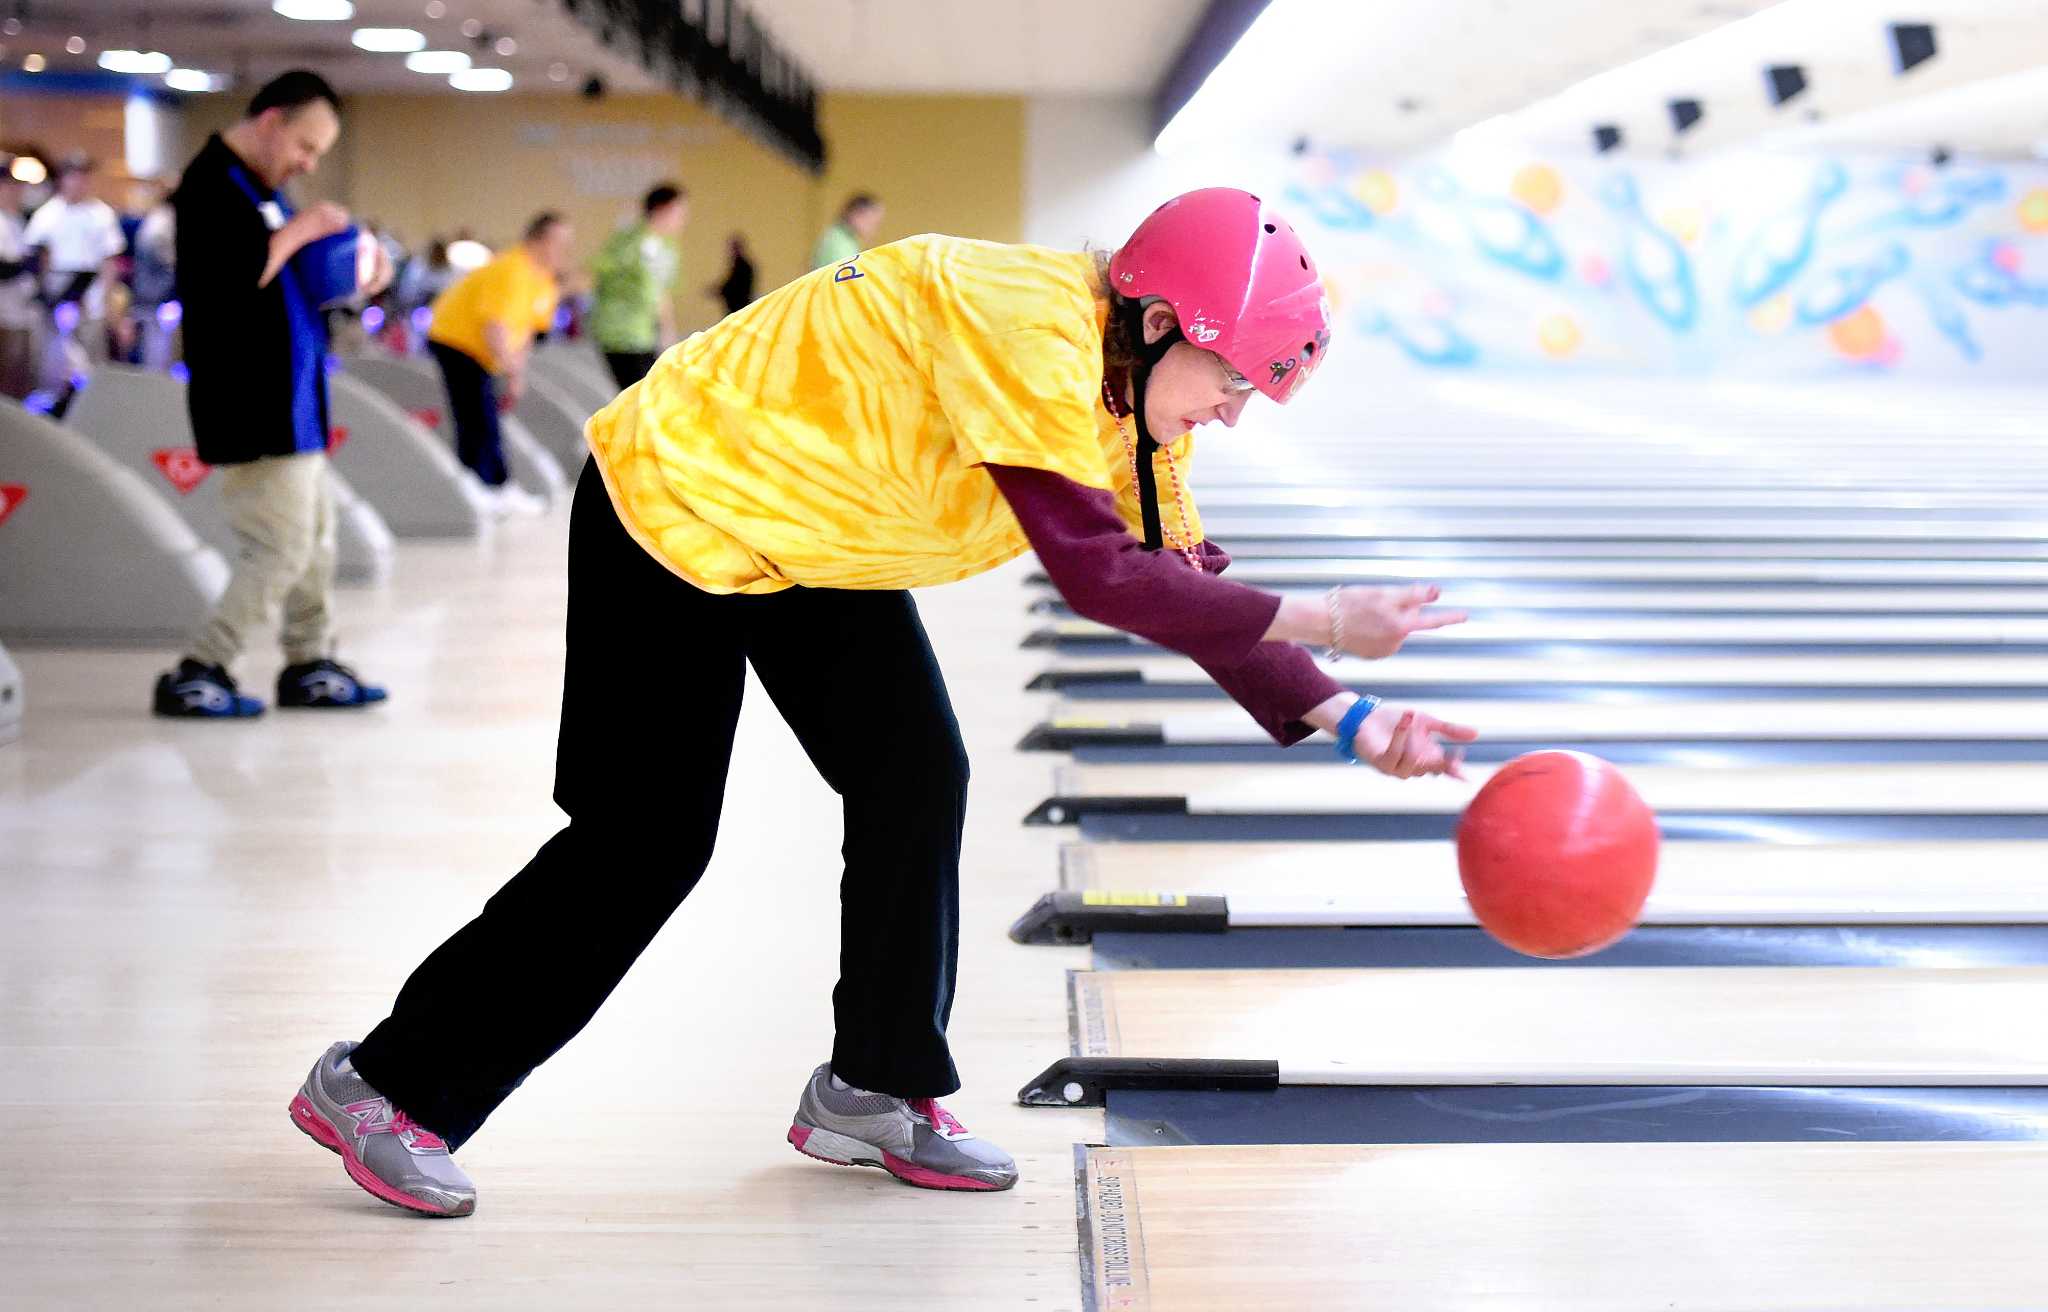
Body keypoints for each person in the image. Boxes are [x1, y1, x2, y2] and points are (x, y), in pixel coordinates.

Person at [288, 187, 1473, 1217]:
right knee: (646, 840)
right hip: (679, 498)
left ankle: (874, 1082)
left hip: (813, 542)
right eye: (1229, 383)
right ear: (1161, 322)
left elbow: (1182, 582)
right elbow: (1098, 575)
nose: (1230, 413)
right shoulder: (1028, 326)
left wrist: (1358, 722)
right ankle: (387, 1085)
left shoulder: (1132, 404)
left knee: (916, 774)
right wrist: (1321, 614)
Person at [152, 70, 396, 719]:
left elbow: (292, 284)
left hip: (294, 400)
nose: (307, 163)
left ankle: (309, 659)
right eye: (305, 147)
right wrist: (307, 226)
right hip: (252, 405)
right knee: (280, 546)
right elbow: (233, 281)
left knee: (316, 534)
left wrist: (357, 274)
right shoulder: (210, 187)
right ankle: (202, 666)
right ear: (271, 122)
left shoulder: (263, 190)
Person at [425, 211, 571, 514]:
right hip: (456, 341)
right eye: (560, 242)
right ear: (540, 240)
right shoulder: (512, 269)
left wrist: (517, 370)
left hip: (486, 352)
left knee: (483, 415)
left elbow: (527, 332)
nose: (565, 250)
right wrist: (513, 374)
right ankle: (488, 486)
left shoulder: (543, 281)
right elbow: (495, 328)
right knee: (476, 416)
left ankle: (489, 484)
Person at [588, 182, 686, 389]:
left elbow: (662, 292)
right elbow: (595, 273)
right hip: (622, 334)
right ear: (662, 209)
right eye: (680, 212)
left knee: (648, 400)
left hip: (644, 336)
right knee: (641, 402)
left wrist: (667, 332)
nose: (683, 219)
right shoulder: (632, 242)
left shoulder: (668, 247)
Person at [23, 155, 123, 307]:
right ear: (62, 179)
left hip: (92, 292)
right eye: (74, 177)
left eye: (84, 178)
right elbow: (36, 257)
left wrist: (107, 297)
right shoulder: (46, 214)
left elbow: (110, 258)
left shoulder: (102, 213)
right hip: (56, 289)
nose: (79, 183)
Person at [0, 167, 38, 398]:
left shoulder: (16, 220)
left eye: (18, 186)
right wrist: (27, 263)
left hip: (23, 309)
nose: (15, 191)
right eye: (9, 186)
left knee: (21, 377)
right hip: (4, 312)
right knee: (8, 374)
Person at [810, 192, 882, 271]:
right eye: (873, 222)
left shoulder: (838, 236)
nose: (874, 229)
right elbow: (846, 277)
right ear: (857, 214)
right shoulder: (840, 243)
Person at [711, 232, 755, 316]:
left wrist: (718, 290)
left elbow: (734, 287)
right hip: (740, 308)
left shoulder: (742, 266)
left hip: (738, 307)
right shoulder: (742, 265)